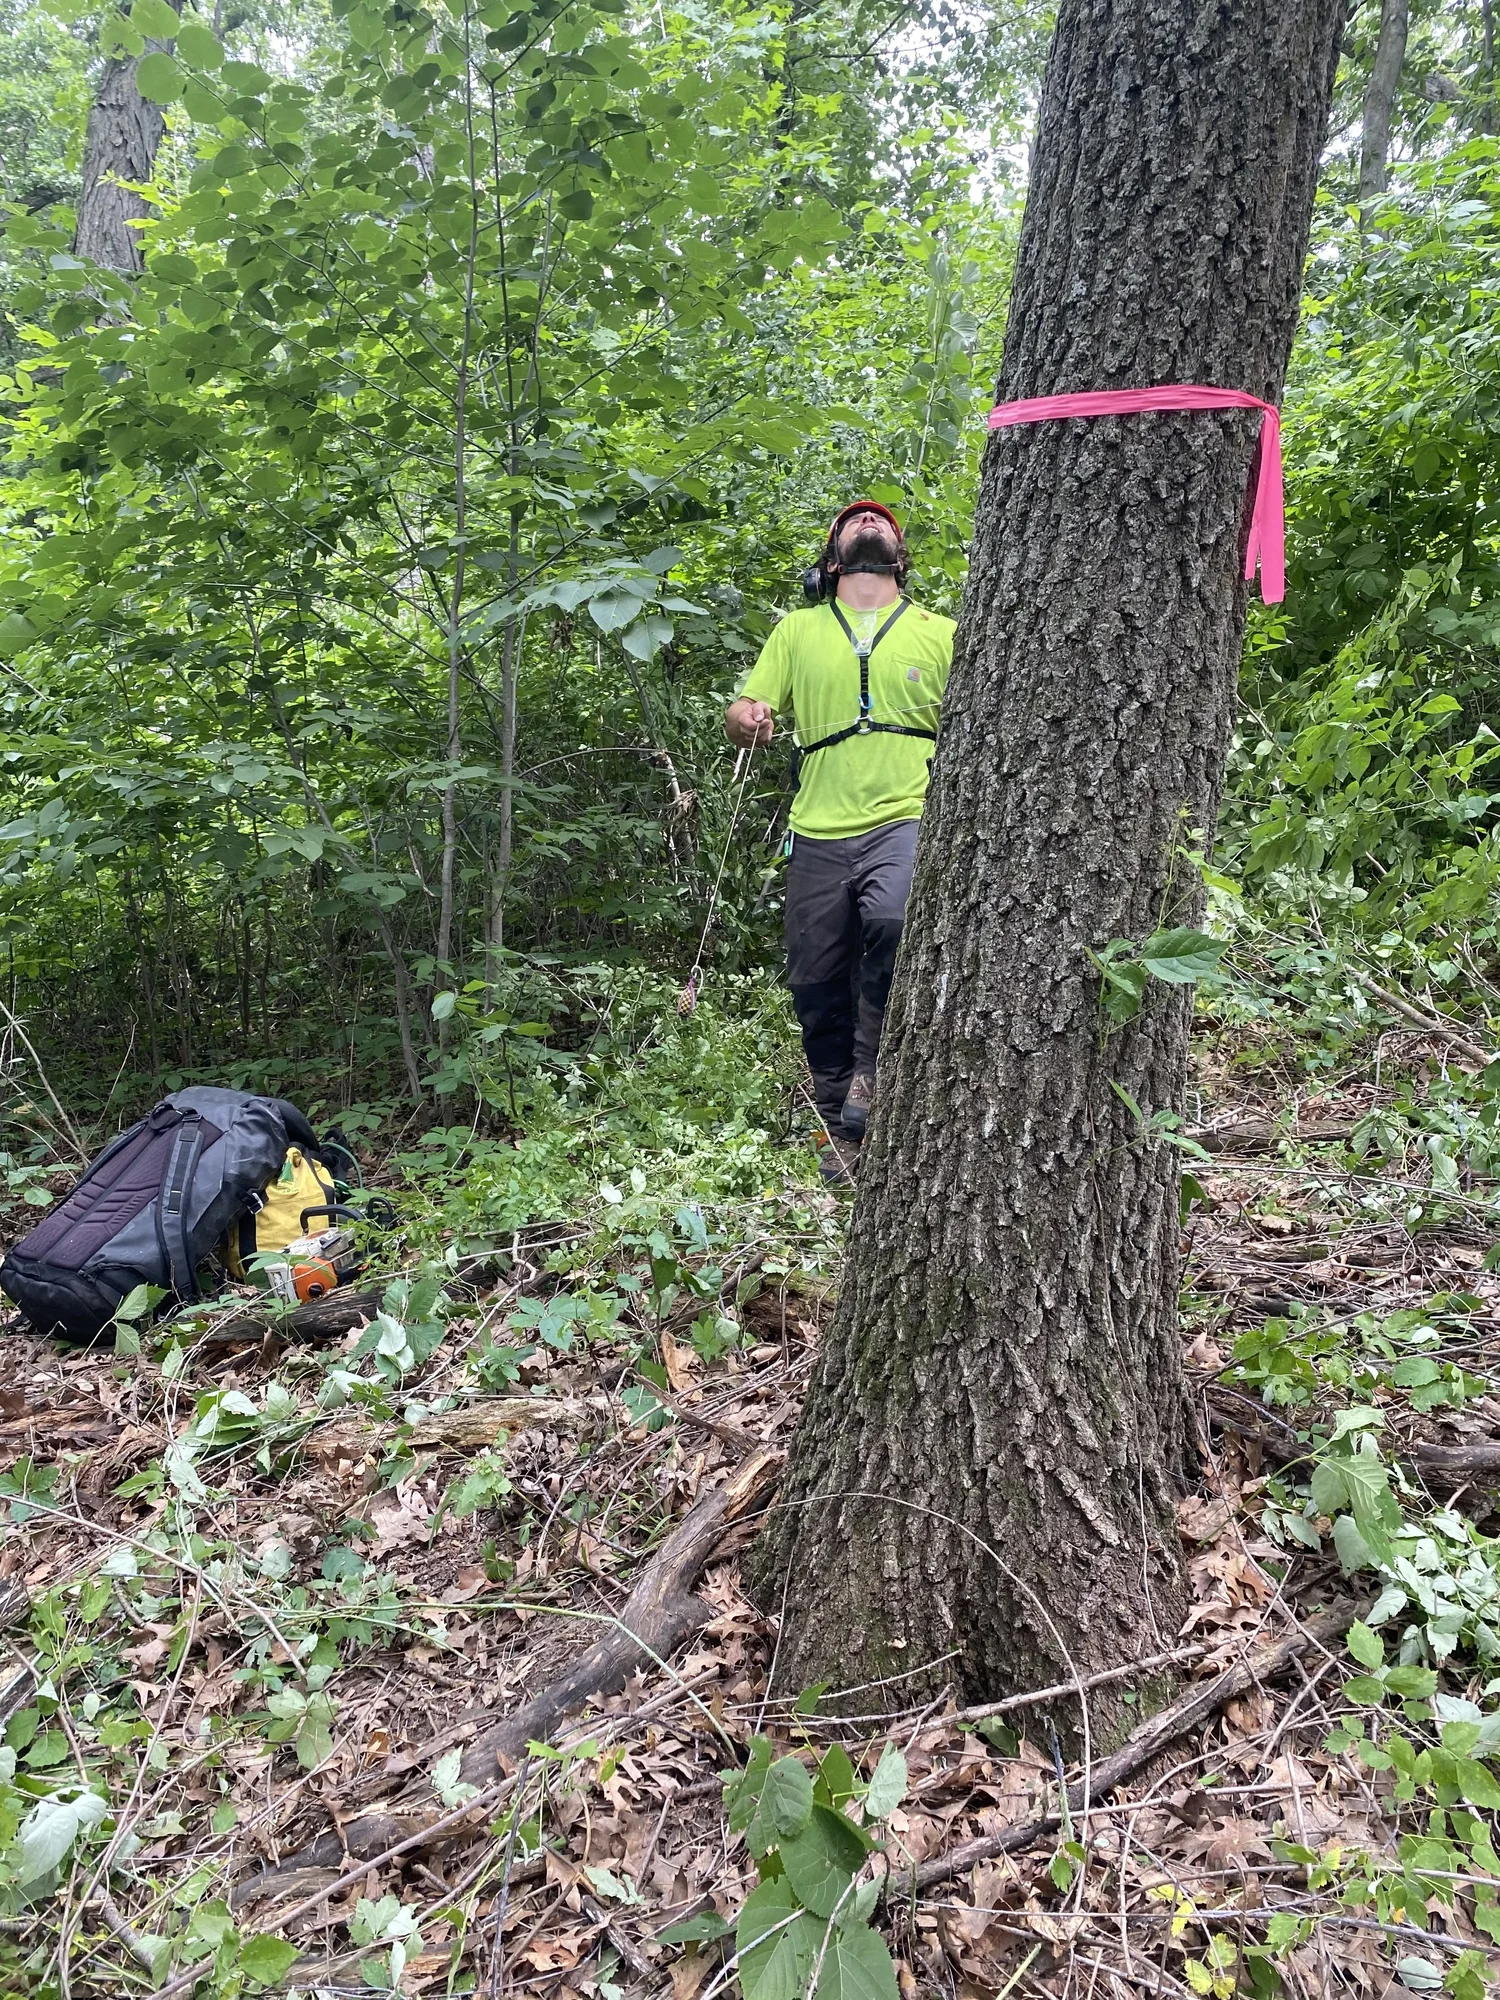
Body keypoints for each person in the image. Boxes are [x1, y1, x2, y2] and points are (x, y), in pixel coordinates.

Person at [725, 501, 955, 1179]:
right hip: (818, 824)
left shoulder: (939, 632)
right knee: (814, 979)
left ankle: (871, 1075)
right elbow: (744, 708)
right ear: (833, 558)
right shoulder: (797, 631)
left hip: (906, 810)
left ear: (899, 556)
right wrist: (749, 719)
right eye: (854, 520)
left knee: (893, 918)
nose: (868, 521)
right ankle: (839, 1130)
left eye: (880, 521)